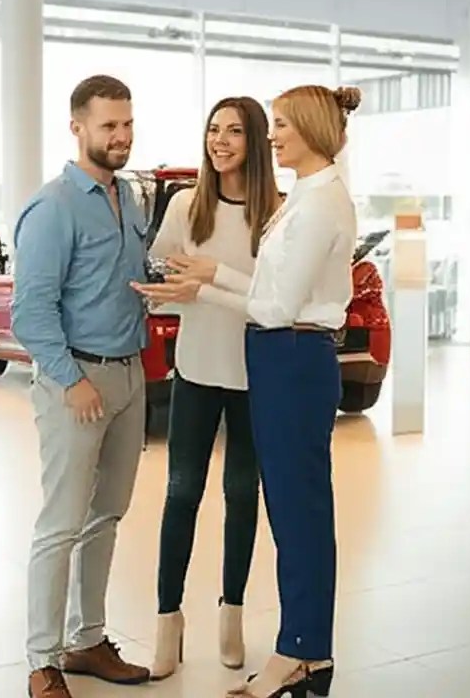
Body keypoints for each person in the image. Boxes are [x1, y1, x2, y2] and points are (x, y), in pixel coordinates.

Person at [133, 84, 361, 698]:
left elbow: (278, 302)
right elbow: (273, 285)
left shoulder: (317, 204)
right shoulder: (310, 197)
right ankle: (302, 652)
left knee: (298, 515)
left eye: (279, 124)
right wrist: (215, 279)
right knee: (294, 514)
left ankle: (302, 653)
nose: (271, 136)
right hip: (280, 352)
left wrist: (208, 281)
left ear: (311, 128)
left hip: (291, 353)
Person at [12, 74, 153, 698]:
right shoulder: (52, 207)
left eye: (127, 124)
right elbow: (31, 312)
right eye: (108, 126)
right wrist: (71, 382)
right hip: (79, 379)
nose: (120, 136)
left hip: (130, 374)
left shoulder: (130, 198)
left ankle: (86, 639)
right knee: (61, 522)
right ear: (78, 128)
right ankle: (42, 659)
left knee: (108, 515)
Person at [144, 96, 280, 680]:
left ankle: (232, 617)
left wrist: (210, 285)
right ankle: (167, 623)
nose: (219, 140)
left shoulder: (277, 211)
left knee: (241, 496)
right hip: (197, 370)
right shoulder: (185, 204)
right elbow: (162, 266)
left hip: (255, 376)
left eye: (233, 131)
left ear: (254, 141)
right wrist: (172, 283)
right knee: (180, 493)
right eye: (213, 129)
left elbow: (276, 295)